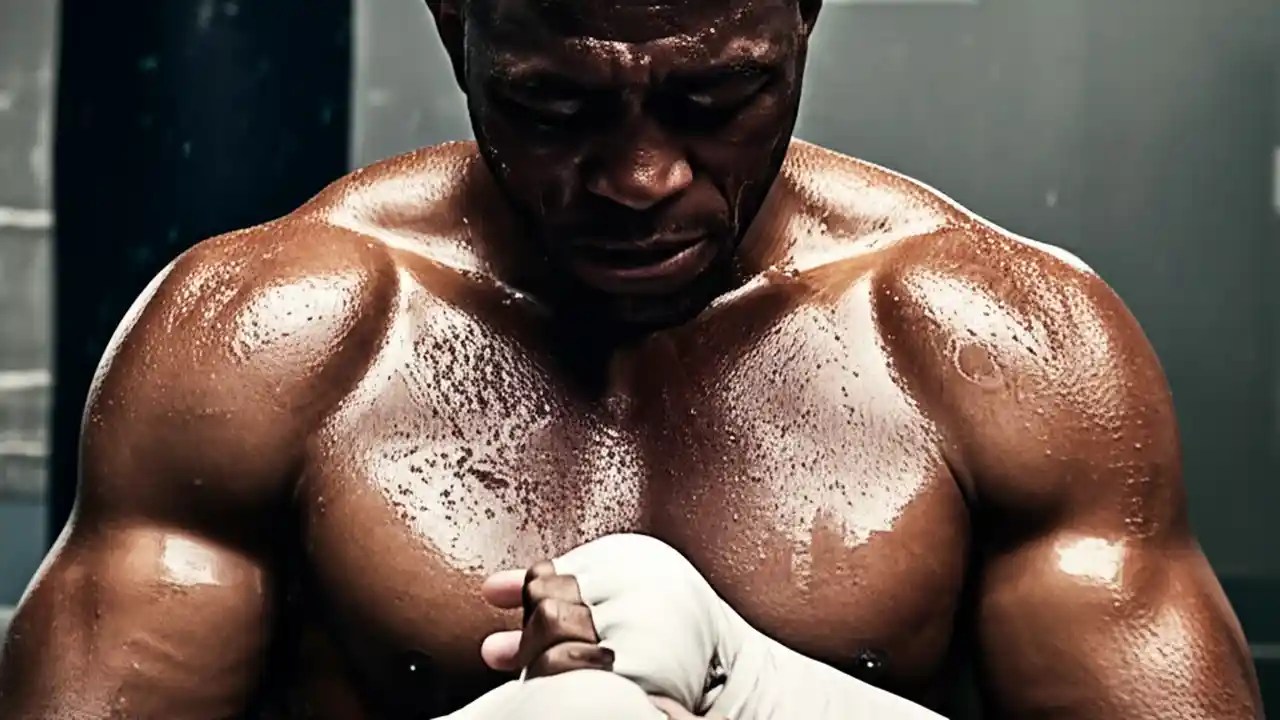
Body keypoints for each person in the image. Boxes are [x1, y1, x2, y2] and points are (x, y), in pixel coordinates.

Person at [0, 0, 1264, 717]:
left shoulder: (999, 345)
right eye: (555, 109)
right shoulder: (266, 338)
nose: (641, 179)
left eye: (716, 101)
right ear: (454, 26)